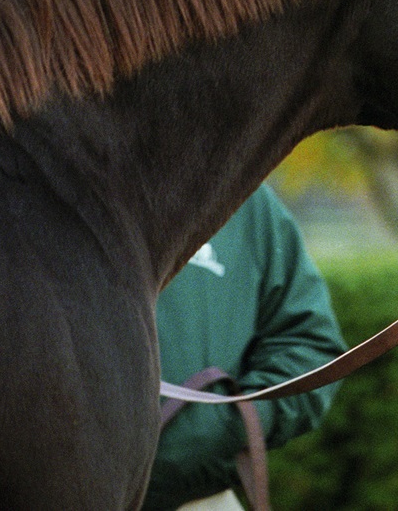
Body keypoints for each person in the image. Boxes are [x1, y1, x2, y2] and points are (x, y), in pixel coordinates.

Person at [144, 184, 346, 511]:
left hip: (196, 499)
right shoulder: (42, 167)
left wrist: (215, 430)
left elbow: (310, 344)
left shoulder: (238, 191)